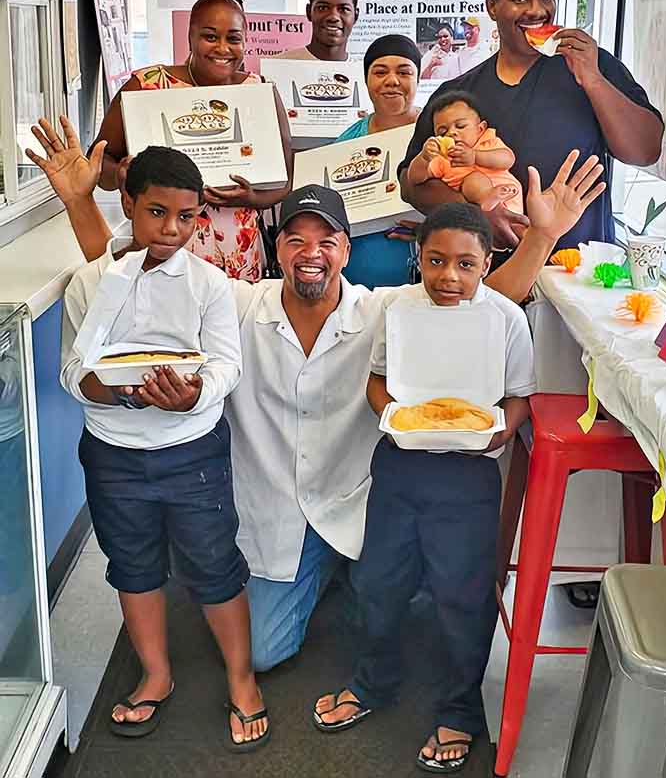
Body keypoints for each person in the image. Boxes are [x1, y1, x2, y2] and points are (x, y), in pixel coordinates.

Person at [28, 117, 606, 674]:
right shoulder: (235, 303)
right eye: (296, 240)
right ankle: (319, 576)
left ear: (346, 251)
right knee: (264, 653)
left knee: (416, 602)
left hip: (360, 507)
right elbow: (139, 279)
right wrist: (79, 202)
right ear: (277, 249)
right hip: (276, 514)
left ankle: (353, 573)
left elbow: (477, 299)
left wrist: (542, 236)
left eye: (327, 241)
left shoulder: (384, 310)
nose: (311, 253)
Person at [42, 138, 269, 750]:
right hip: (112, 452)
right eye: (157, 212)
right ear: (128, 205)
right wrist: (114, 392)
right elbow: (73, 371)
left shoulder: (208, 283)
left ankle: (241, 677)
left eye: (186, 216)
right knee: (132, 563)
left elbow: (225, 364)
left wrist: (192, 396)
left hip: (192, 449)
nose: (172, 229)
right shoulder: (92, 282)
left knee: (213, 559)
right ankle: (156, 674)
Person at [313, 203, 535, 772]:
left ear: (488, 263)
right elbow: (378, 381)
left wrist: (498, 432)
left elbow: (517, 398)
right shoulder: (400, 308)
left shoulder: (506, 318)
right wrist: (392, 417)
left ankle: (460, 708)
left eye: (466, 263)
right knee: (377, 581)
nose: (449, 276)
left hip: (468, 474)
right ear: (419, 257)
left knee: (461, 593)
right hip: (401, 462)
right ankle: (374, 681)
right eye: (436, 261)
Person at [399, 0, 664, 253]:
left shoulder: (593, 65)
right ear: (492, 6)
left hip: (580, 268)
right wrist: (475, 212)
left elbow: (645, 151)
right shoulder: (458, 94)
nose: (537, 10)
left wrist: (593, 80)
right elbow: (410, 184)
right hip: (490, 270)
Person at [89, 0, 293, 280]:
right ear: (191, 37)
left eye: (233, 38)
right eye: (210, 36)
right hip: (163, 251)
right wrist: (121, 175)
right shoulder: (147, 87)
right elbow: (99, 161)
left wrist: (253, 197)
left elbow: (286, 179)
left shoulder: (260, 92)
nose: (223, 48)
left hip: (239, 258)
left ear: (245, 42)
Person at [335, 34, 422, 288]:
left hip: (426, 282)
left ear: (418, 79)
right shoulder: (347, 141)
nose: (392, 81)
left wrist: (433, 228)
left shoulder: (440, 132)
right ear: (366, 80)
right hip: (356, 281)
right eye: (380, 72)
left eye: (404, 72)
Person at [407, 89, 522, 215]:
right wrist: (424, 158)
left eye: (460, 126)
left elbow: (508, 159)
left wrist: (475, 156)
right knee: (473, 179)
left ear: (480, 129)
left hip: (510, 197)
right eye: (443, 132)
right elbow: (414, 178)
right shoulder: (443, 157)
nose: (451, 133)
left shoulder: (487, 141)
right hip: (477, 213)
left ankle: (495, 199)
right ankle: (488, 197)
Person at [271, 0, 360, 62]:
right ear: (309, 12)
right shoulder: (276, 66)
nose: (333, 17)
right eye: (323, 8)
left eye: (344, 9)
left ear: (356, 16)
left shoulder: (363, 70)